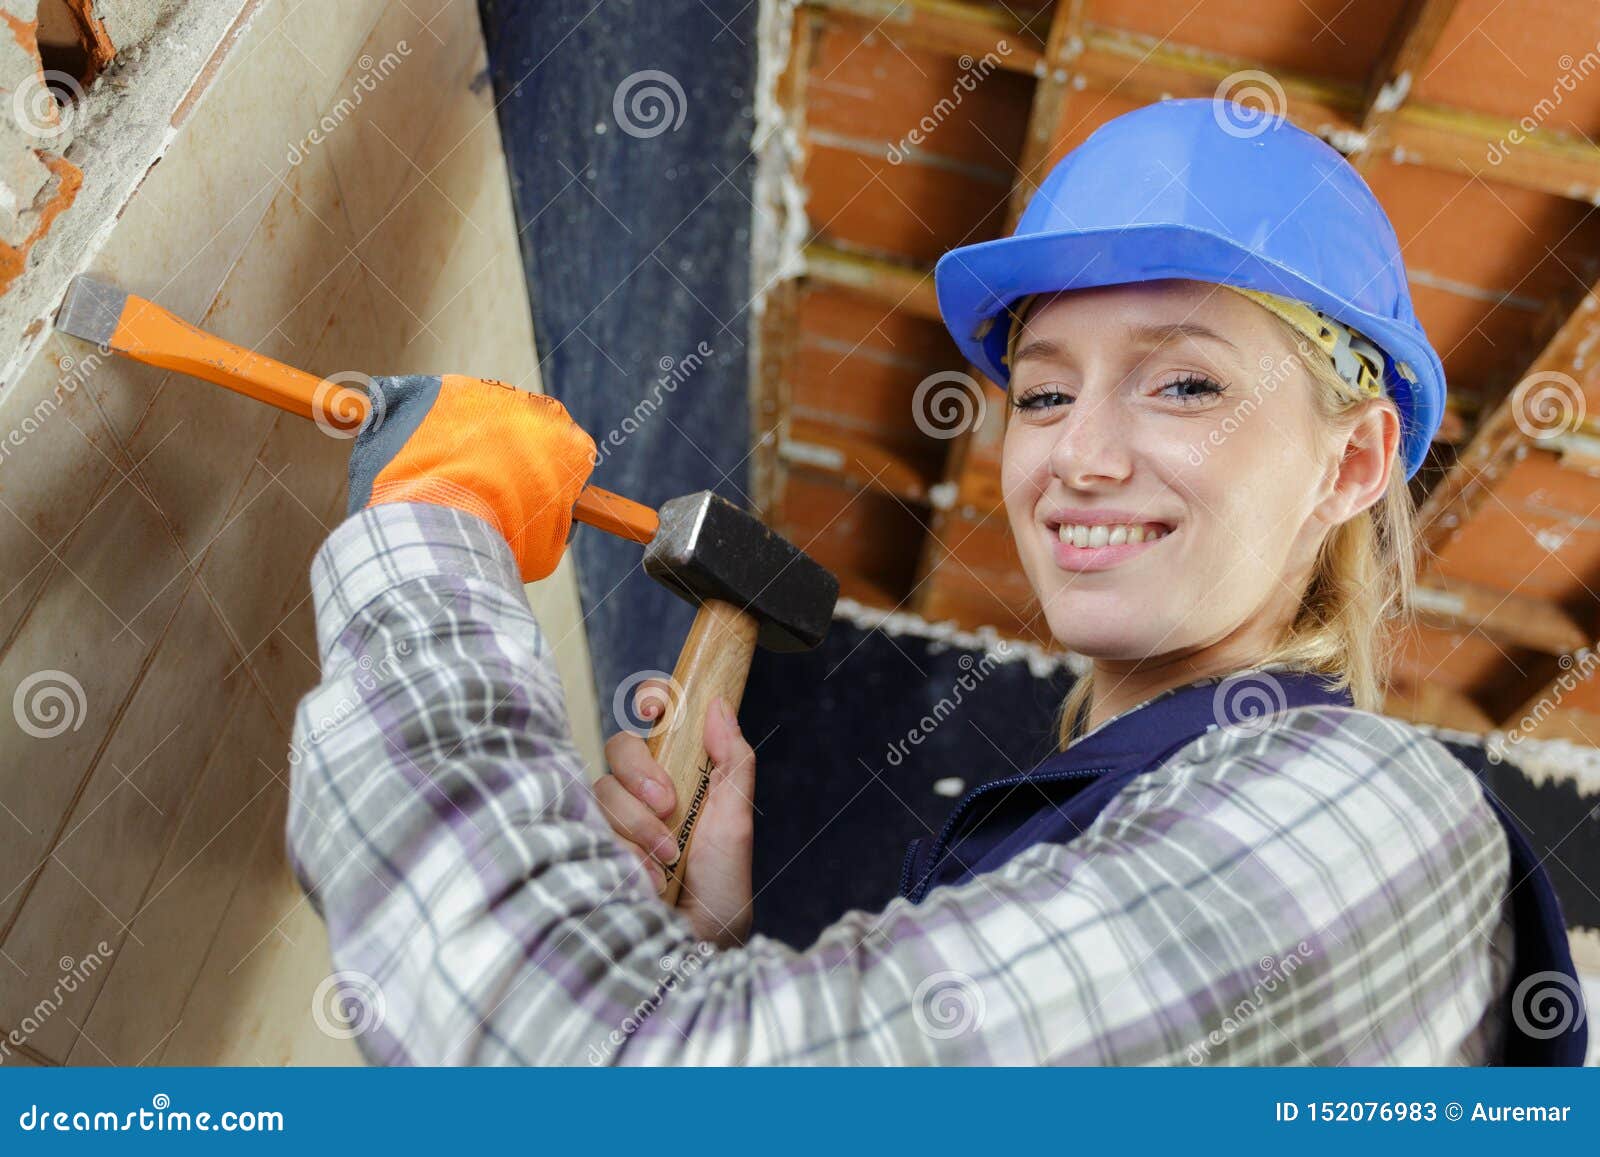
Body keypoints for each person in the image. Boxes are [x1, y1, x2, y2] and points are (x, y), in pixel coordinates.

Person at [286, 99, 1587, 1064]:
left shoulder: (1362, 813)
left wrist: (430, 538)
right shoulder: (1103, 841)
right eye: (1045, 394)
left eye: (1185, 382)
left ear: (1351, 461)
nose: (1079, 455)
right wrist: (700, 966)